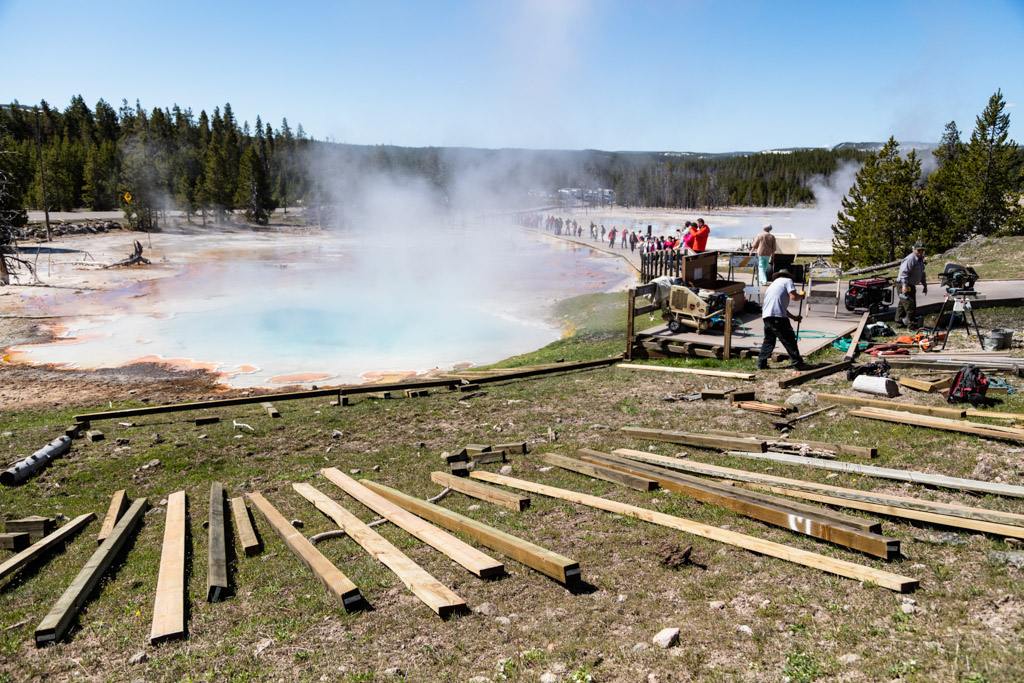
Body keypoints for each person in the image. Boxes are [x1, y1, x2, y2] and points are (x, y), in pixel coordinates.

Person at [758, 270, 810, 371]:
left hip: (767, 316)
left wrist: (794, 317)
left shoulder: (773, 285)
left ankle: (762, 363)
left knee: (769, 340)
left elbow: (780, 307)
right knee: (789, 339)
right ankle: (798, 364)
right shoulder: (788, 281)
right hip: (778, 317)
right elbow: (794, 297)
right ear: (788, 276)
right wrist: (801, 296)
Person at [895, 242, 928, 330]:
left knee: (902, 304)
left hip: (911, 285)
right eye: (918, 250)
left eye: (922, 250)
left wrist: (925, 285)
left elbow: (922, 274)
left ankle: (898, 324)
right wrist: (904, 286)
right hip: (904, 285)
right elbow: (903, 273)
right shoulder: (910, 259)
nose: (920, 252)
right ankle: (911, 326)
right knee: (910, 305)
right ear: (914, 250)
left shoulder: (920, 260)